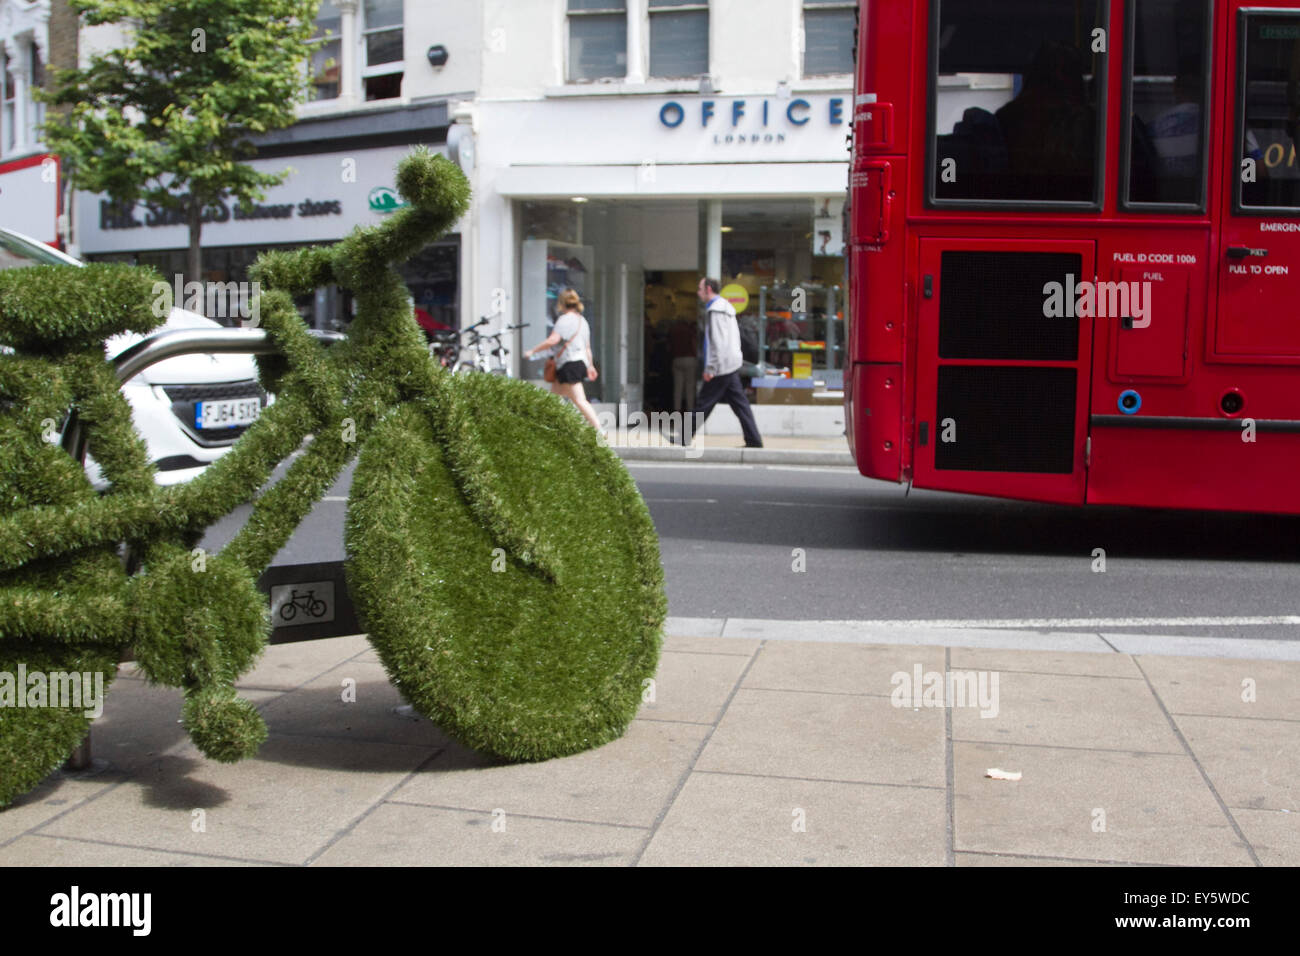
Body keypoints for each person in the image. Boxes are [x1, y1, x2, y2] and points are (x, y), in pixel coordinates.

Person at [689, 277, 763, 448]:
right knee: (740, 405)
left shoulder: (715, 310)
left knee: (705, 402)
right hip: (730, 363)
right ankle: (754, 440)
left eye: (700, 289)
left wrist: (711, 367)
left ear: (708, 289)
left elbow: (717, 342)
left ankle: (684, 435)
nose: (698, 293)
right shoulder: (727, 308)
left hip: (721, 366)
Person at [524, 288, 600, 429]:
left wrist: (533, 351)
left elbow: (553, 340)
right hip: (577, 362)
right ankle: (547, 427)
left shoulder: (564, 320)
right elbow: (587, 347)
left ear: (561, 304)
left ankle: (599, 430)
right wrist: (590, 366)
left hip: (569, 364)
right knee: (553, 398)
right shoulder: (582, 321)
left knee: (579, 400)